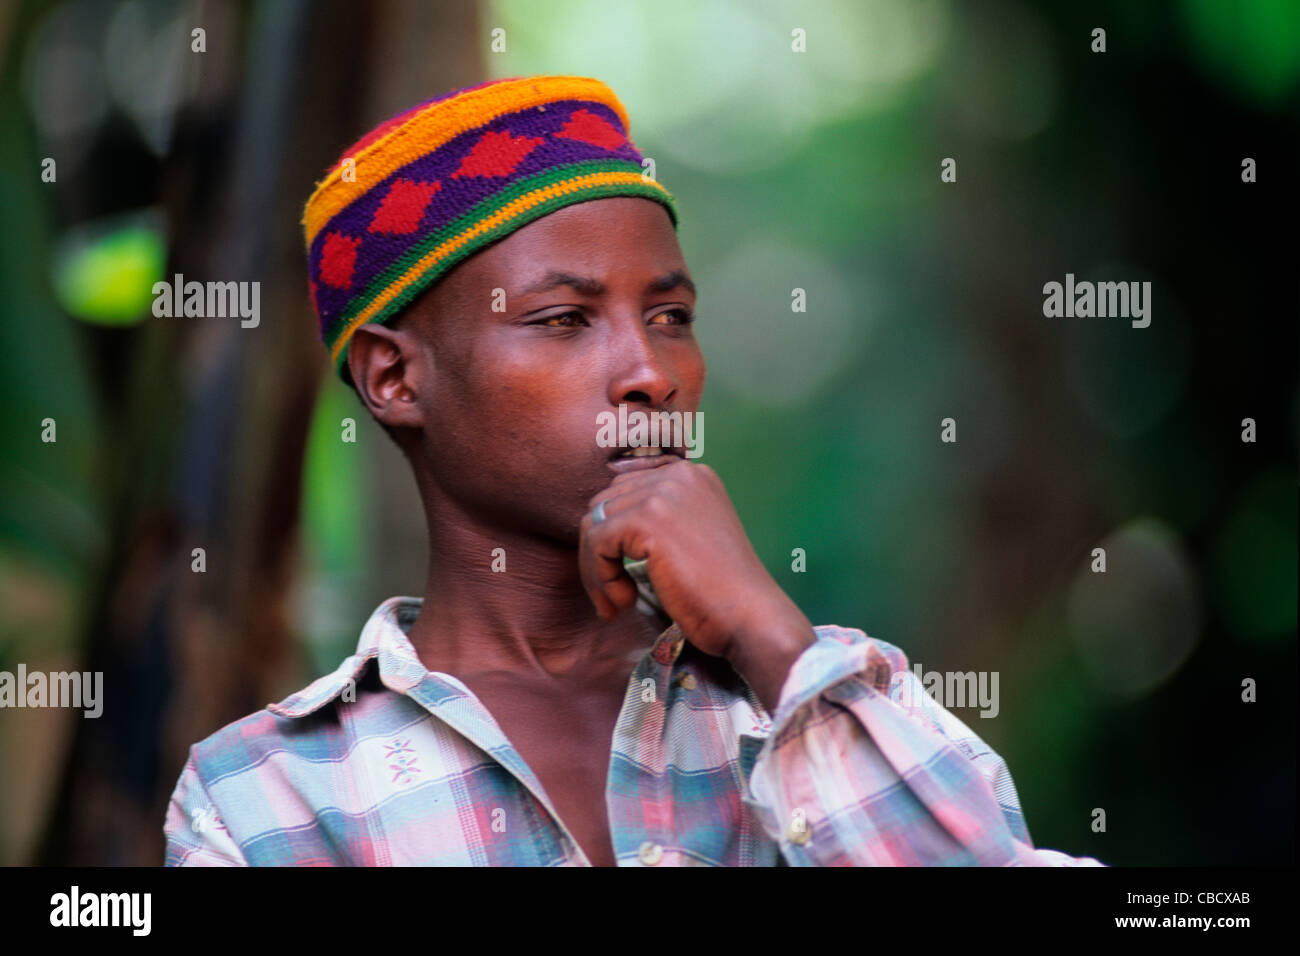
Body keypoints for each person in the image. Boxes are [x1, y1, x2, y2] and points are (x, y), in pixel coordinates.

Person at [163, 75, 1103, 867]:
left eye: (670, 316)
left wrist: (768, 637)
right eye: (565, 320)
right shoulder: (263, 799)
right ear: (396, 377)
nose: (651, 373)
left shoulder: (842, 701)